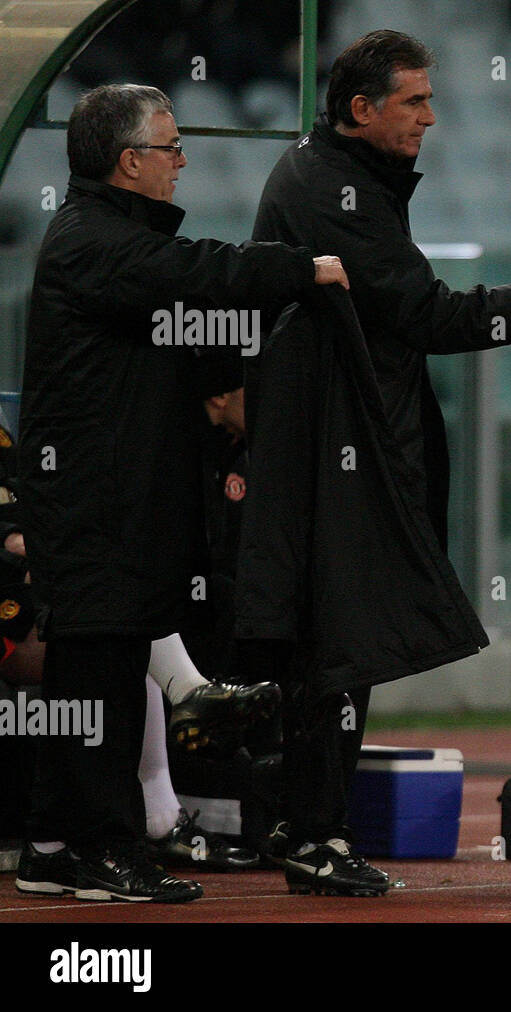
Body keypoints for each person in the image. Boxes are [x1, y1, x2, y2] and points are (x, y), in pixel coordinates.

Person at [245, 30, 511, 897]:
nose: (430, 116)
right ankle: (311, 834)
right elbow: (423, 314)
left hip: (337, 439)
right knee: (338, 644)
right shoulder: (333, 187)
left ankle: (308, 829)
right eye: (413, 101)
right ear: (360, 110)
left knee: (344, 642)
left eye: (428, 97)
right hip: (327, 450)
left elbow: (403, 312)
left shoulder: (341, 177)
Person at [16, 82, 350, 902]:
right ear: (130, 161)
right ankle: (104, 845)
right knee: (98, 674)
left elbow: (184, 302)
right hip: (94, 500)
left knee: (99, 666)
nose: (182, 160)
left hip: (109, 495)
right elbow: (193, 271)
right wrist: (300, 269)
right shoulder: (93, 241)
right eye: (170, 148)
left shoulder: (104, 238)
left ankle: (57, 843)